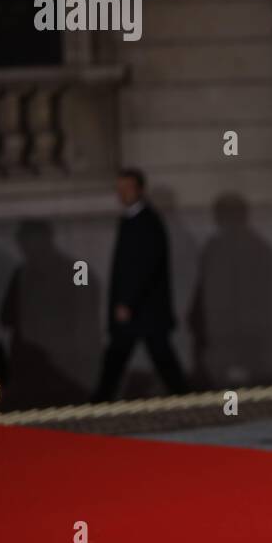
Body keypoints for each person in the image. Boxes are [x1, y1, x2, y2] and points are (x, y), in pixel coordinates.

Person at [90, 168, 188, 402]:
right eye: (120, 189)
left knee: (137, 356)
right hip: (142, 310)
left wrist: (127, 302)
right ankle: (185, 397)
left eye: (127, 188)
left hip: (143, 309)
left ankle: (100, 399)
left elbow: (144, 268)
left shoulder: (146, 222)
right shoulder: (134, 220)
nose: (122, 194)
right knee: (137, 356)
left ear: (140, 190)